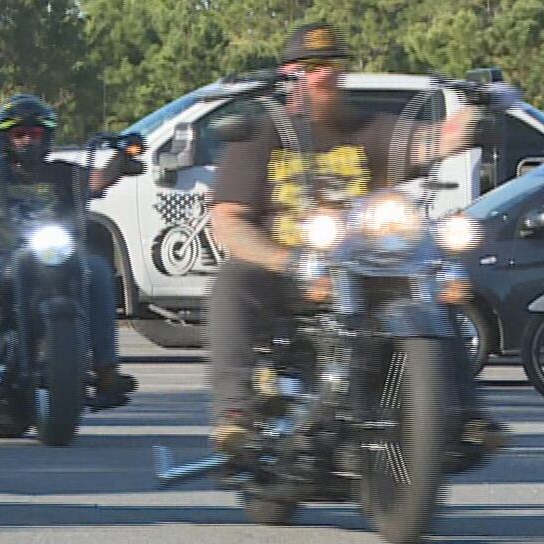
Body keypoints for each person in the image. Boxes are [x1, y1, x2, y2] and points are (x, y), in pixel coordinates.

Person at [205, 22, 506, 458]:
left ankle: (466, 415)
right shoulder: (258, 135)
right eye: (310, 66)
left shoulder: (369, 127)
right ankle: (235, 414)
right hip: (288, 267)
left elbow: (433, 139)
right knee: (231, 283)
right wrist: (286, 260)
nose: (322, 74)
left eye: (331, 64)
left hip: (366, 265)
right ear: (289, 74)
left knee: (439, 285)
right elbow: (229, 221)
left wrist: (476, 114)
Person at [0, 94, 143, 410]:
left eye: (36, 133)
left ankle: (106, 369)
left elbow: (97, 180)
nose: (28, 140)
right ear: (5, 138)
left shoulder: (64, 173)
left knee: (96, 269)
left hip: (56, 255)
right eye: (20, 134)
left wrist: (121, 160)